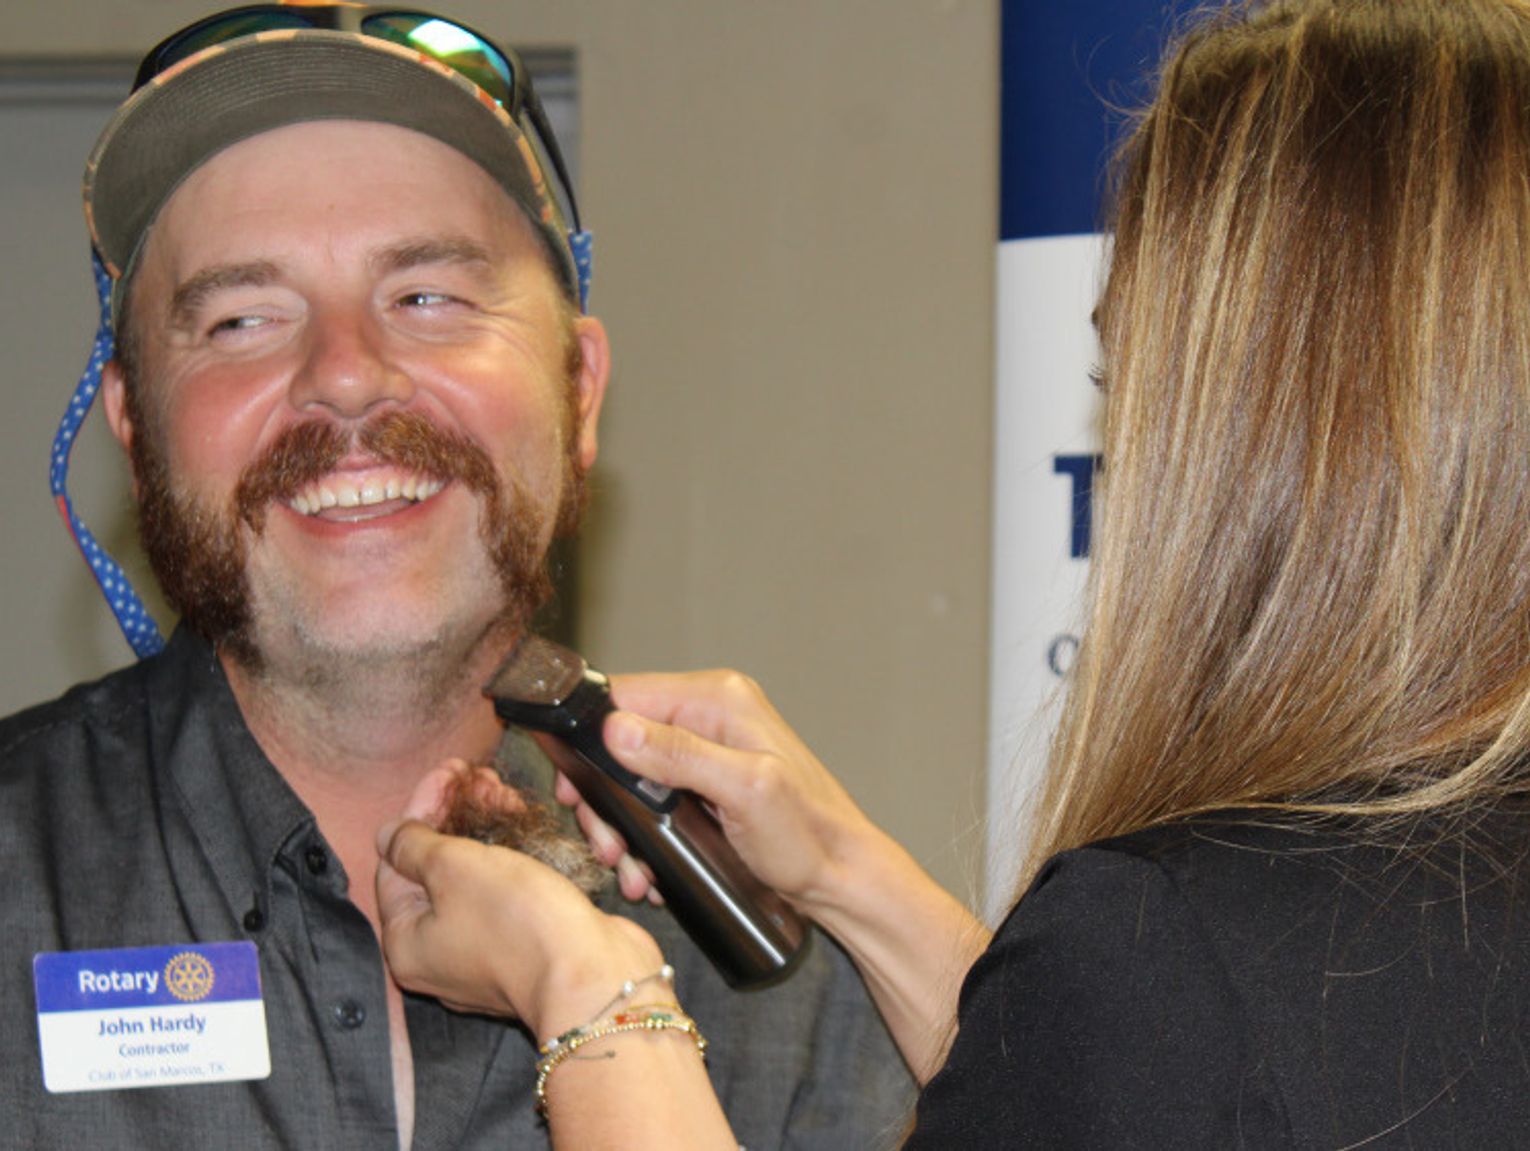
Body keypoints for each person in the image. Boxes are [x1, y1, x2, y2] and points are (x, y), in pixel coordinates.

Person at [375, 0, 1530, 1145]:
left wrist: (588, 987)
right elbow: (1142, 1095)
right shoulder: (1286, 950)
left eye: (1128, 396)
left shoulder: (1171, 947)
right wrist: (842, 870)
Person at [0, 5, 914, 1148]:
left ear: (579, 392)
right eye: (242, 316)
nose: (344, 376)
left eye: (427, 296)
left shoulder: (781, 957)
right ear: (134, 432)